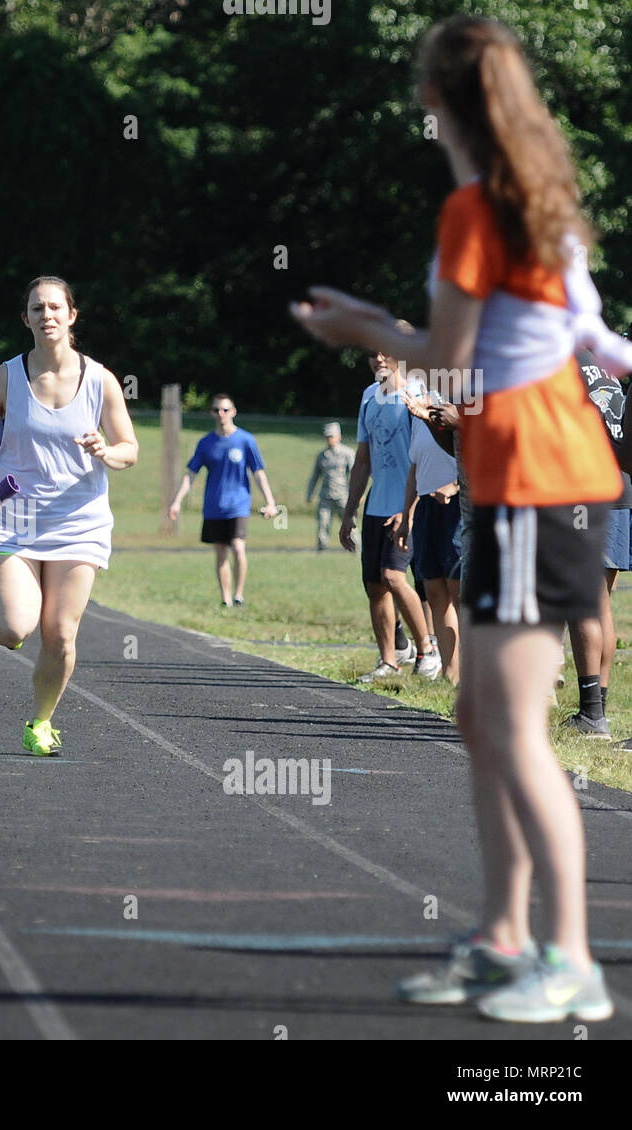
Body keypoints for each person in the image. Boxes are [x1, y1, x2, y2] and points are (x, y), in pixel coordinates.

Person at [292, 13, 632, 1022]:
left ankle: (565, 955)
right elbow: (595, 339)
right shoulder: (545, 208)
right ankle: (499, 937)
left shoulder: (479, 215)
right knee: (480, 715)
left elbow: (445, 360)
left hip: (537, 483)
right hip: (537, 483)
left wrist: (360, 328)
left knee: (513, 726)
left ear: (434, 99)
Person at [0, 276, 137, 756]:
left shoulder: (100, 380)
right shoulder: (5, 378)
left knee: (60, 634)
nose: (47, 315)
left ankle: (40, 721)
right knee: (13, 628)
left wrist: (106, 450)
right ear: (26, 319)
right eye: (37, 308)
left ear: (72, 315)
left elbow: (129, 449)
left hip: (78, 521)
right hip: (12, 517)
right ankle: (17, 612)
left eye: (55, 307)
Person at [339, 349, 439, 682]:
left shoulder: (417, 392)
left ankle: (427, 650)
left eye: (386, 352)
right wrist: (349, 511)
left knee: (395, 577)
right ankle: (389, 660)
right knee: (374, 584)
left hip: (409, 503)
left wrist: (407, 509)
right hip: (376, 504)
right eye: (372, 353)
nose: (379, 358)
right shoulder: (369, 396)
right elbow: (363, 459)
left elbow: (426, 454)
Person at [561, 347, 630, 739]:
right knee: (600, 600)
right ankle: (596, 708)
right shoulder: (608, 371)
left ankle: (591, 715)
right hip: (622, 490)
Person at [167, 394, 277, 607]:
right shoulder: (206, 443)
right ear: (212, 413)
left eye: (225, 410)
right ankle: (225, 598)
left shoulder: (245, 440)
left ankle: (239, 595)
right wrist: (177, 501)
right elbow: (191, 474)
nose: (221, 414)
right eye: (217, 410)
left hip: (238, 505)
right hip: (214, 506)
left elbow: (258, 472)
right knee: (220, 552)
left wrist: (270, 501)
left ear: (233, 412)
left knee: (238, 547)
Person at [395, 391, 462, 684]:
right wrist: (406, 514)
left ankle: (470, 671)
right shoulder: (420, 405)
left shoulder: (461, 398)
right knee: (434, 589)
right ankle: (450, 670)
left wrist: (456, 486)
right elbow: (415, 465)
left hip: (455, 505)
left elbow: (476, 450)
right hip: (425, 506)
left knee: (459, 590)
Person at [307, 422, 354, 552]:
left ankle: (356, 549)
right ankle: (322, 550)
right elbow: (315, 476)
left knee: (350, 524)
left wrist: (356, 495)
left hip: (343, 495)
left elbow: (355, 475)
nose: (329, 439)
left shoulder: (347, 453)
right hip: (325, 495)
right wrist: (310, 493)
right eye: (327, 436)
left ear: (339, 436)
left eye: (332, 436)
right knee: (323, 524)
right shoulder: (322, 455)